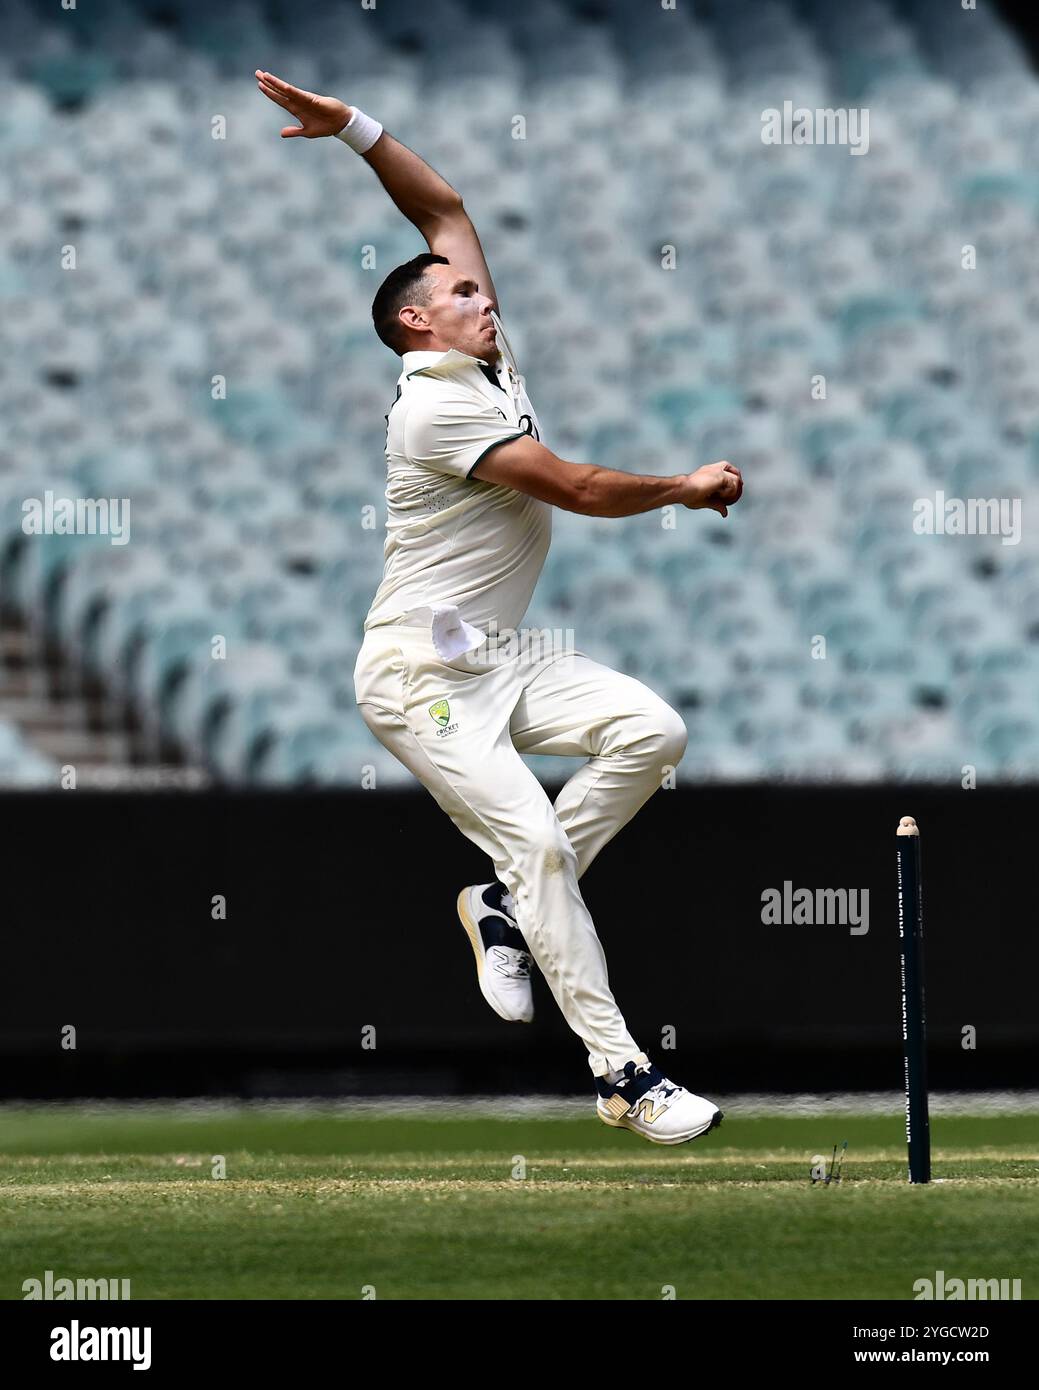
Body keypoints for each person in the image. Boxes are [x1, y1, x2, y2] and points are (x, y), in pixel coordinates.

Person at [256, 70, 743, 1143]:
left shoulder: (482, 358)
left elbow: (442, 211)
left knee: (651, 731)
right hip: (419, 675)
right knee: (541, 846)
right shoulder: (433, 407)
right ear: (416, 324)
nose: (488, 298)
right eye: (464, 296)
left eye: (479, 292)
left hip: (497, 653)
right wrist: (681, 485)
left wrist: (356, 132)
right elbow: (571, 486)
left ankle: (502, 912)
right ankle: (620, 1073)